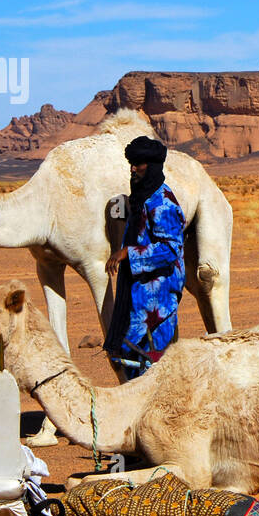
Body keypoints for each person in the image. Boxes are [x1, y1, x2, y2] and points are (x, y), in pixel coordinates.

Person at [102, 136, 185, 377]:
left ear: (153, 166)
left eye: (139, 164)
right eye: (132, 163)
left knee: (153, 371)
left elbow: (171, 250)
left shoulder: (163, 204)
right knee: (135, 365)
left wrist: (129, 252)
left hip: (158, 304)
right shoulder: (142, 199)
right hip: (139, 300)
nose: (133, 169)